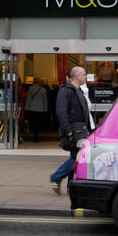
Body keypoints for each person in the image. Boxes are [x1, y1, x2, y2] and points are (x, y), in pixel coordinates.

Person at [50, 66, 91, 195]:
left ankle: (71, 186)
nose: (86, 77)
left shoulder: (78, 91)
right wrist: (68, 131)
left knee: (77, 157)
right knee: (77, 157)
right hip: (73, 131)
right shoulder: (66, 91)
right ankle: (56, 177)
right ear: (77, 76)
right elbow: (61, 112)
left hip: (80, 130)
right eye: (84, 75)